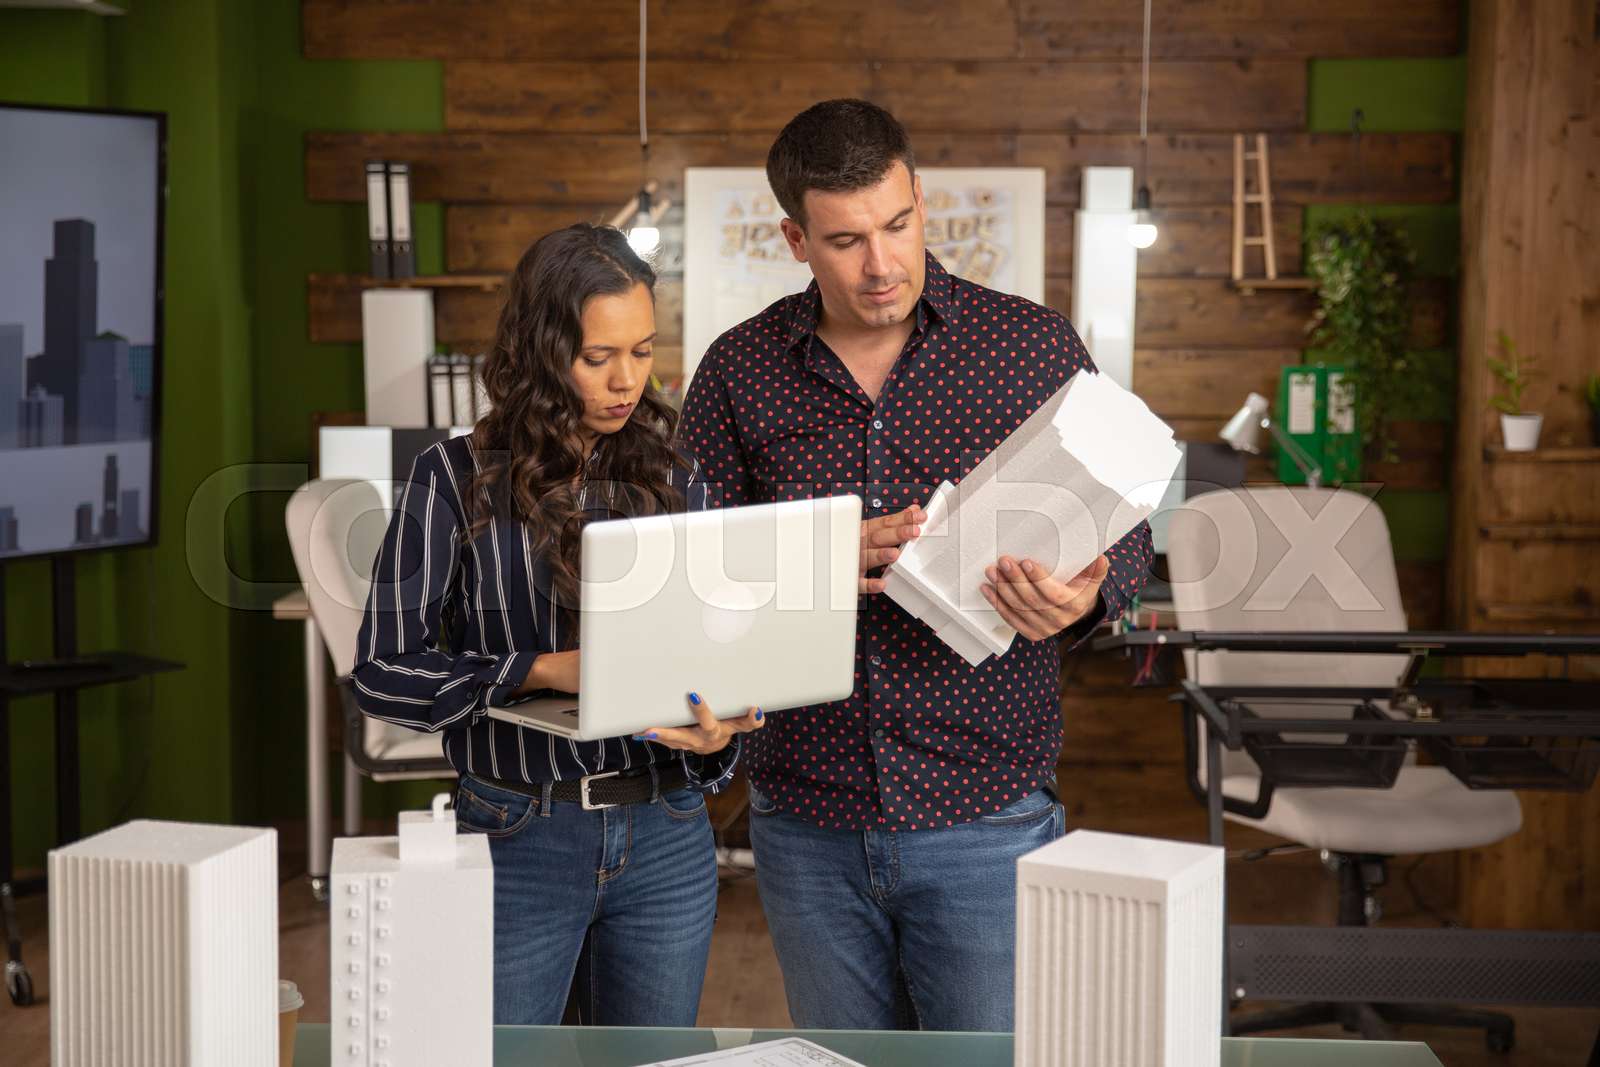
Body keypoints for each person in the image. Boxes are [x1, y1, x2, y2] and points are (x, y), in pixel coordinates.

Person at [677, 99, 1154, 1031]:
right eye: (846, 240)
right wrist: (810, 555)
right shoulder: (739, 371)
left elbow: (1128, 520)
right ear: (795, 239)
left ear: (920, 199)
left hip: (988, 809)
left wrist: (1089, 589)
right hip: (806, 818)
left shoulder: (1030, 345)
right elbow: (685, 567)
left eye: (898, 225)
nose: (882, 263)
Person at [351, 223, 764, 1027]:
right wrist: (539, 669)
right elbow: (381, 670)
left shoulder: (677, 473)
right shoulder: (453, 477)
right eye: (597, 357)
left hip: (669, 832)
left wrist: (722, 732)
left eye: (642, 352)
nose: (626, 382)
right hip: (518, 832)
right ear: (542, 352)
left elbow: (718, 650)